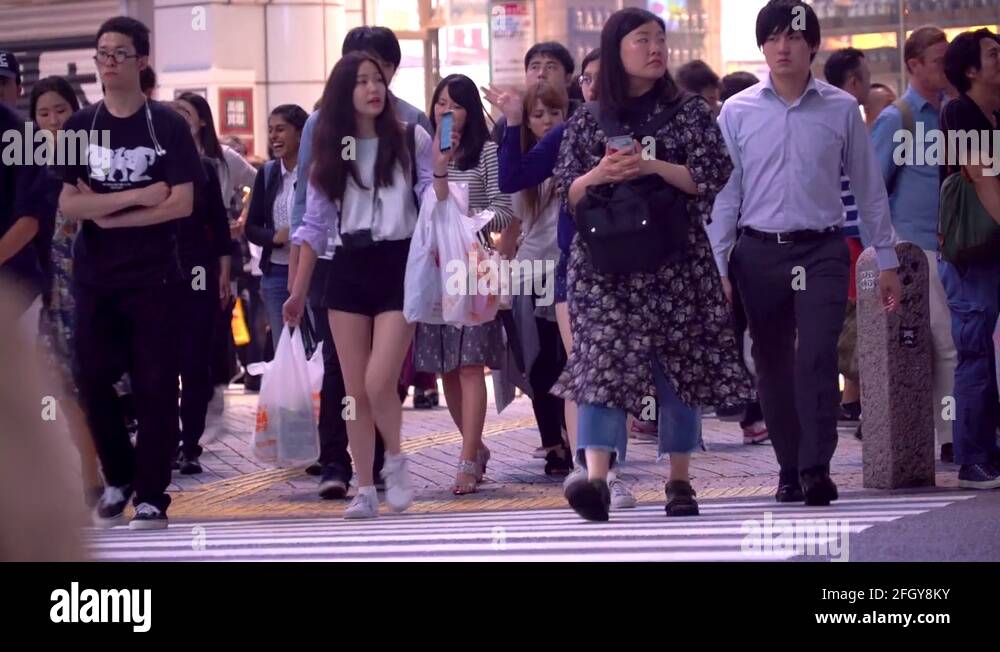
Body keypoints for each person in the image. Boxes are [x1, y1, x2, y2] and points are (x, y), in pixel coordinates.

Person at [554, 7, 752, 521]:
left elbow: (710, 176)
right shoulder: (588, 117)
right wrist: (600, 172)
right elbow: (568, 196)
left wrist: (650, 166)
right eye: (642, 39)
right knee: (600, 360)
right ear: (617, 50)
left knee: (678, 365)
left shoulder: (687, 112)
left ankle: (679, 479)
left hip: (675, 258)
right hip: (605, 266)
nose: (655, 48)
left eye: (659, 39)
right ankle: (596, 479)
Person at [708, 0, 901, 507]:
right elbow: (727, 193)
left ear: (811, 44)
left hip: (820, 251)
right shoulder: (738, 110)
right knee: (771, 363)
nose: (783, 46)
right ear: (763, 46)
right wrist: (717, 263)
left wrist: (886, 258)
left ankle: (817, 467)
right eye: (772, 37)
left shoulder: (839, 107)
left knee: (816, 357)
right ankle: (788, 467)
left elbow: (867, 185)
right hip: (758, 252)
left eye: (793, 37)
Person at [57, 16, 204, 530]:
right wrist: (139, 195)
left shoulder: (166, 125)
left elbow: (181, 204)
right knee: (90, 377)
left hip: (154, 277)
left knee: (156, 383)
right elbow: (70, 204)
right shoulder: (81, 127)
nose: (109, 62)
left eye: (120, 53)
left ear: (142, 60)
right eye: (102, 53)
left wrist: (110, 209)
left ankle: (152, 494)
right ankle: (117, 476)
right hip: (95, 275)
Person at [284, 51, 432, 518]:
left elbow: (431, 195)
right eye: (362, 81)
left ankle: (395, 460)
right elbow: (313, 225)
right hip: (347, 266)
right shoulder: (333, 151)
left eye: (379, 80)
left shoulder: (411, 139)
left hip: (398, 264)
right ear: (343, 93)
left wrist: (445, 183)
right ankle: (364, 487)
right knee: (352, 391)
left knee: (378, 379)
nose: (374, 89)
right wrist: (297, 290)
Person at [413, 73, 514, 495]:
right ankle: (473, 446)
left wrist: (470, 220)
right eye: (440, 103)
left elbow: (506, 210)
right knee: (447, 369)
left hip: (472, 268)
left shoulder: (487, 153)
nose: (445, 111)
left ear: (469, 111)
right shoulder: (424, 152)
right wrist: (439, 167)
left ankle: (468, 460)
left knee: (472, 365)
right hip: (435, 270)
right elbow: (424, 209)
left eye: (454, 104)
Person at [870, 27, 957, 460]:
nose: (944, 67)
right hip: (918, 247)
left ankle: (953, 431)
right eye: (937, 59)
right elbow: (874, 188)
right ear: (914, 65)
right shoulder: (898, 118)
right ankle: (948, 435)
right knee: (944, 344)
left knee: (956, 344)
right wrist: (887, 253)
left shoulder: (957, 110)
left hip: (959, 246)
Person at [491, 81, 574, 477]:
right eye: (537, 115)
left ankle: (574, 437)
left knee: (567, 358)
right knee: (539, 362)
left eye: (554, 114)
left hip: (569, 266)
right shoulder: (522, 161)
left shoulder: (575, 152)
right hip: (532, 270)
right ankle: (553, 442)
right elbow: (512, 225)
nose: (546, 122)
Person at [30, 76, 103, 507]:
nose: (54, 120)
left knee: (94, 385)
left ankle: (106, 468)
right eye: (44, 113)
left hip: (92, 286)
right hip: (46, 291)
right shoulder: (28, 165)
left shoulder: (95, 159)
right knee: (59, 388)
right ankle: (88, 474)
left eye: (61, 110)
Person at [938, 29, 1000, 488]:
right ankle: (972, 458)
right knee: (974, 350)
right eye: (994, 54)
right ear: (971, 70)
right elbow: (981, 177)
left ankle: (990, 448)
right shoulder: (960, 112)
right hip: (973, 251)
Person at [174, 92, 258, 424]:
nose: (179, 117)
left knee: (213, 325)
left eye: (186, 112)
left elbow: (258, 182)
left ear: (202, 120)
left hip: (215, 250)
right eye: (175, 111)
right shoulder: (167, 155)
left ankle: (210, 390)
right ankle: (197, 399)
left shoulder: (222, 159)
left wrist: (244, 222)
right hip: (177, 250)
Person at [167, 100, 233, 475]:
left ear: (197, 127)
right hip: (154, 271)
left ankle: (189, 443)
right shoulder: (150, 168)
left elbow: (219, 227)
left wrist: (223, 270)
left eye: (184, 114)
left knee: (194, 361)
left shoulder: (205, 169)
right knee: (157, 361)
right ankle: (163, 438)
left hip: (197, 271)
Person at [822, 47, 872, 428]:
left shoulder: (835, 114)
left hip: (844, 234)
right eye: (865, 80)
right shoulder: (843, 116)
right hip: (848, 234)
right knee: (853, 316)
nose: (868, 87)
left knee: (850, 316)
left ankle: (849, 398)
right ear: (853, 82)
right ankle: (849, 398)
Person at [245, 103, 308, 348]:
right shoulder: (268, 173)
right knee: (285, 346)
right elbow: (251, 227)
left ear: (301, 132)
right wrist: (274, 237)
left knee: (313, 345)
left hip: (310, 270)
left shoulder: (314, 171)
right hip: (276, 272)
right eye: (270, 130)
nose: (273, 136)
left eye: (280, 129)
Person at [491, 42, 579, 142]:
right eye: (534, 67)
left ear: (568, 79)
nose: (541, 73)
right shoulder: (509, 122)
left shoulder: (584, 116)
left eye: (550, 67)